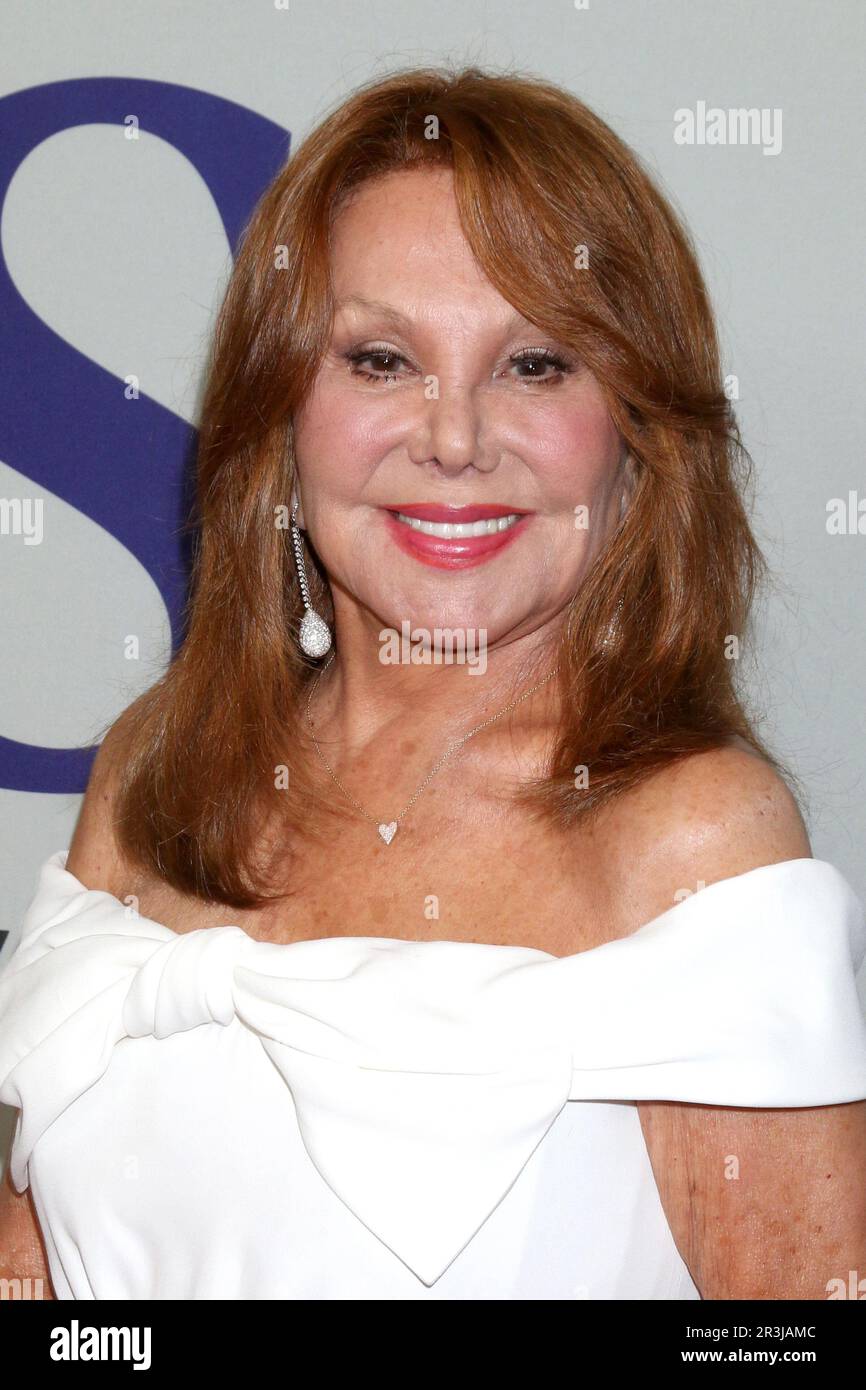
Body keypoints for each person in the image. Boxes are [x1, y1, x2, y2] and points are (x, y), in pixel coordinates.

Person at [1, 64, 865, 1301]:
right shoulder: (155, 774)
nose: (453, 438)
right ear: (276, 419)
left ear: (633, 438)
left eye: (534, 364)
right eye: (381, 358)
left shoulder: (690, 839)